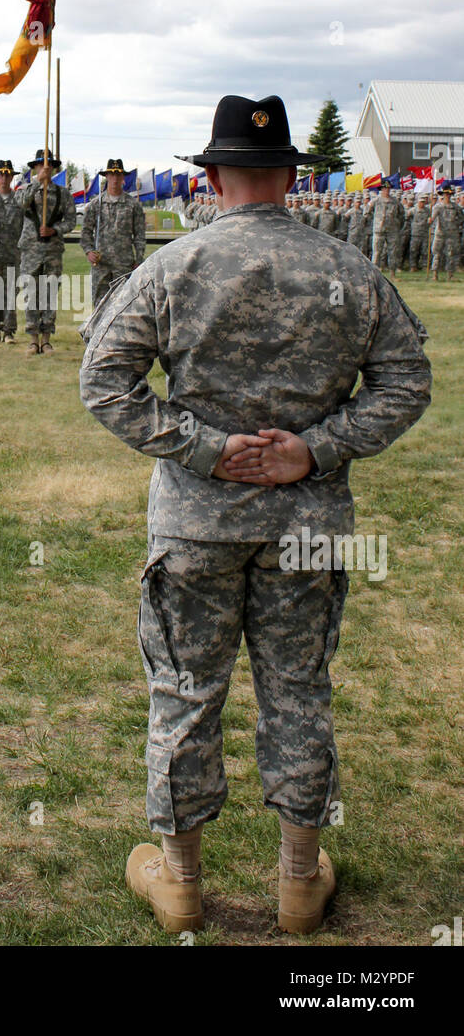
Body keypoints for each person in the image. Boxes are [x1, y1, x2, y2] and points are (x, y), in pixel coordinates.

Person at [79, 94, 431, 936]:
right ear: (286, 176)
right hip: (303, 525)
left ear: (215, 175)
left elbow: (105, 383)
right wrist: (313, 449)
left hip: (197, 527)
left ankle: (182, 883)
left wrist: (202, 447)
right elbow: (406, 383)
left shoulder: (173, 266)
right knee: (298, 691)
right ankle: (298, 885)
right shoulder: (346, 268)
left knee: (185, 692)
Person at [17, 148, 76, 354]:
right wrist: (36, 183)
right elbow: (20, 204)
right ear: (35, 168)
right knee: (31, 293)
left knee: (49, 293)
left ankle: (46, 338)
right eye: (41, 165)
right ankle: (33, 339)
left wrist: (55, 229)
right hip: (30, 249)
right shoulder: (25, 189)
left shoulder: (62, 193)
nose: (45, 168)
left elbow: (71, 221)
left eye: (48, 165)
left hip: (52, 250)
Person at [80, 159, 146, 309]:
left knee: (123, 306)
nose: (115, 179)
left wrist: (139, 259)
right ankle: (97, 333)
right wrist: (89, 251)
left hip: (124, 264)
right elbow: (85, 233)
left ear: (123, 178)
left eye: (118, 175)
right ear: (107, 177)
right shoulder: (96, 204)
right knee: (99, 306)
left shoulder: (133, 205)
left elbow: (140, 235)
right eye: (112, 175)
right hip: (101, 264)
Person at [0, 161, 23, 344]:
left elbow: (25, 227)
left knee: (10, 294)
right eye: (1, 174)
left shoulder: (19, 201)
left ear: (12, 177)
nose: (4, 177)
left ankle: (8, 331)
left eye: (8, 174)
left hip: (12, 253)